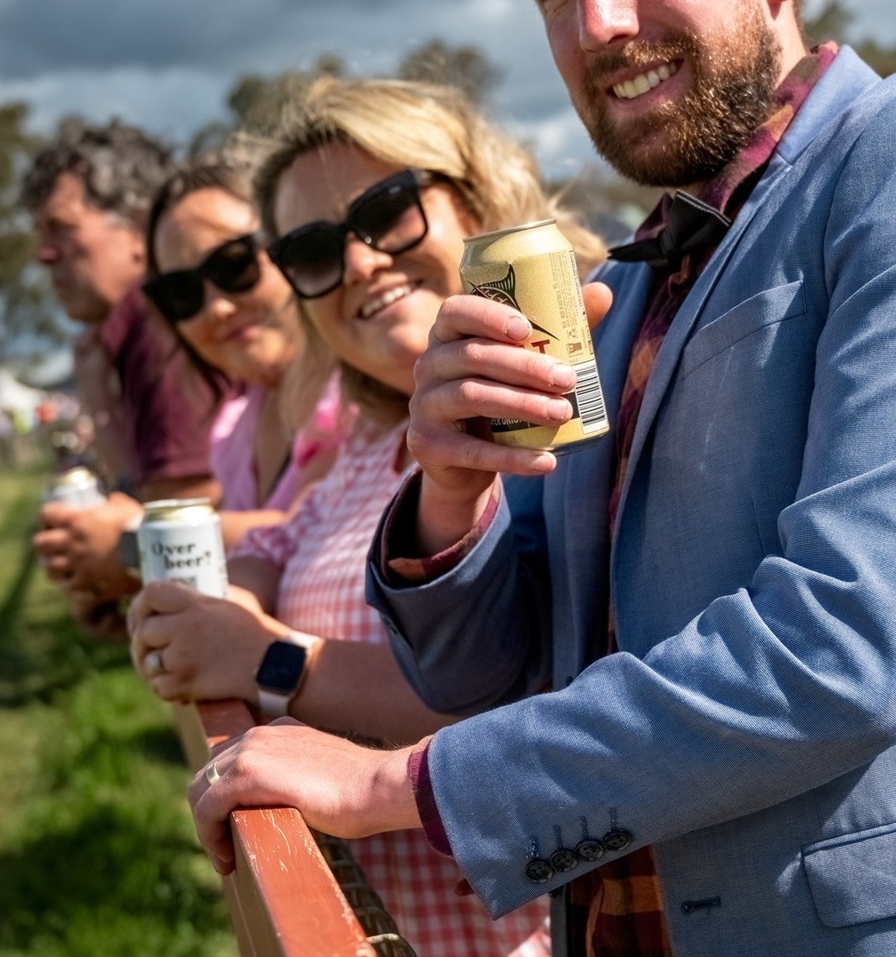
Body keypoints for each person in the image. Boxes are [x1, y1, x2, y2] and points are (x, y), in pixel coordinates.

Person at [188, 0, 896, 956]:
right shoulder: (628, 277)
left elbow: (855, 642)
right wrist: (450, 495)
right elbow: (493, 666)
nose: (596, 23)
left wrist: (399, 788)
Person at [136, 76, 604, 957]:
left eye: (387, 211)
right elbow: (278, 535)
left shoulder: (560, 398)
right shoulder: (365, 441)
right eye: (313, 249)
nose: (358, 264)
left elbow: (540, 696)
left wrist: (265, 657)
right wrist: (220, 602)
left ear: (475, 193)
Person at [33, 138, 349, 610]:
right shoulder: (237, 425)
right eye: (180, 293)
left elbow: (311, 529)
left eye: (234, 264)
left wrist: (131, 546)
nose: (215, 306)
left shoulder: (355, 396)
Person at [22, 122, 221, 631]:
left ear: (137, 229)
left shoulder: (162, 330)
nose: (43, 255)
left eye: (62, 229)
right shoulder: (129, 338)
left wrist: (116, 566)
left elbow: (189, 511)